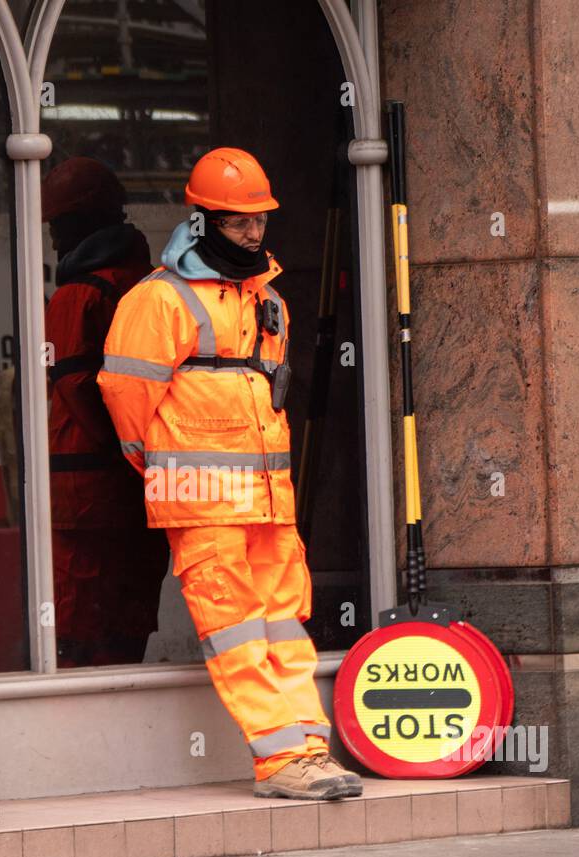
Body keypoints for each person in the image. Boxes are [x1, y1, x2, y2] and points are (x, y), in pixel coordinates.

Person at [97, 148, 363, 800]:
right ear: (206, 217)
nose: (252, 232)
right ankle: (281, 761)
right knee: (238, 631)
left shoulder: (266, 300)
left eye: (258, 220)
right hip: (203, 503)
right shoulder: (159, 299)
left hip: (267, 503)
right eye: (238, 220)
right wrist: (165, 466)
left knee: (281, 629)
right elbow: (128, 398)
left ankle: (308, 749)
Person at [41, 157, 170, 666]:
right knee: (127, 613)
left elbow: (72, 380)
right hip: (140, 484)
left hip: (86, 495)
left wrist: (118, 446)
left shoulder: (78, 294)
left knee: (78, 624)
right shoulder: (152, 284)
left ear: (82, 222)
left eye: (57, 224)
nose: (52, 239)